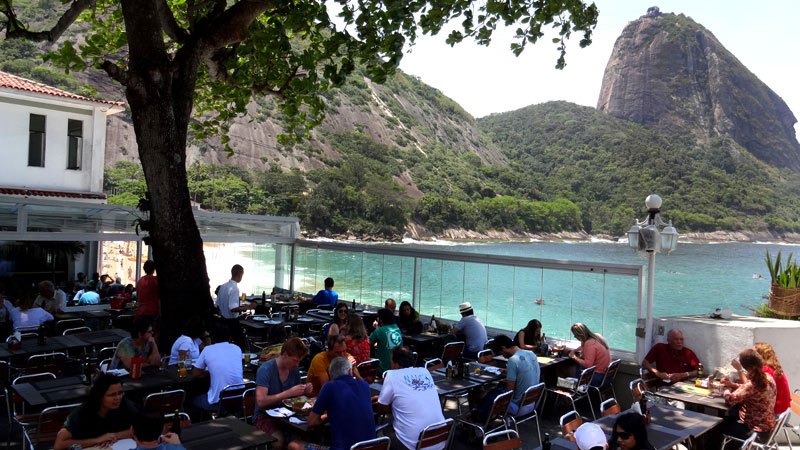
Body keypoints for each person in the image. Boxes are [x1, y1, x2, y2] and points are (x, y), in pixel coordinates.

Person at [288, 357, 375, 450]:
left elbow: (311, 422)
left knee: (293, 445)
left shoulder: (329, 387)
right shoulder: (364, 385)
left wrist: (323, 418)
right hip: (373, 447)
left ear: (331, 375)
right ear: (350, 371)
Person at [375, 346, 445, 450]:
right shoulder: (424, 371)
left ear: (396, 363)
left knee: (379, 434)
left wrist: (386, 402)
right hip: (440, 440)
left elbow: (381, 408)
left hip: (413, 445)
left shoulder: (392, 375)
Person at [254, 337, 313, 448]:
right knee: (279, 440)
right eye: (295, 360)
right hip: (265, 416)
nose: (297, 364)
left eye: (299, 361)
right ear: (285, 354)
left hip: (287, 416)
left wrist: (305, 391)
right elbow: (261, 402)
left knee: (306, 435)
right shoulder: (266, 370)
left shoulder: (294, 370)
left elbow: (296, 398)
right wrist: (288, 393)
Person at [53, 374, 137, 450]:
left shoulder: (125, 404)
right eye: (112, 395)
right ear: (99, 396)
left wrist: (113, 436)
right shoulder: (82, 413)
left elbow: (143, 427)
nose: (118, 398)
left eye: (120, 393)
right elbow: (59, 444)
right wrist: (97, 440)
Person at [720, 349, 776, 442]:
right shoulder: (768, 377)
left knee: (718, 426)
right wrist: (732, 385)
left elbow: (730, 400)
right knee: (732, 417)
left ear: (745, 366)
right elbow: (749, 389)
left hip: (754, 432)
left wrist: (726, 390)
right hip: (767, 427)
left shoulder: (752, 384)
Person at [191, 325, 244, 414]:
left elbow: (195, 374)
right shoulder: (237, 348)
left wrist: (209, 372)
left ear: (213, 338)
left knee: (190, 399)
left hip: (218, 401)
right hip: (239, 398)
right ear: (230, 338)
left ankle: (200, 424)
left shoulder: (207, 349)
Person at [490, 334, 540, 415]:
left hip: (518, 407)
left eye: (501, 353)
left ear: (503, 348)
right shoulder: (531, 354)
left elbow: (509, 391)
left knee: (489, 396)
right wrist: (510, 372)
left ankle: (481, 421)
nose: (503, 356)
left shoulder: (513, 361)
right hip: (532, 403)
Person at [216, 264, 253, 350]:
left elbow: (217, 305)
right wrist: (248, 307)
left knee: (224, 343)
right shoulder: (234, 288)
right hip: (232, 322)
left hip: (222, 320)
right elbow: (233, 308)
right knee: (240, 344)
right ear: (240, 274)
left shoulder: (223, 286)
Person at [753, 342, 791, 414]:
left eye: (752, 353)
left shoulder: (765, 370)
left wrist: (739, 371)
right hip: (783, 408)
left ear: (759, 356)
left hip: (775, 411)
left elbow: (752, 388)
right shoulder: (773, 367)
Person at [569, 322, 610, 386]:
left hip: (596, 377)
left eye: (575, 335)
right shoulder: (596, 337)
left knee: (564, 370)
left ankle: (568, 393)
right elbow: (588, 348)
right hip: (605, 377)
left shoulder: (589, 344)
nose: (574, 336)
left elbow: (588, 365)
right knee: (575, 368)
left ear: (580, 334)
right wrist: (575, 350)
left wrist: (574, 357)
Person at [369, 308, 403, 374]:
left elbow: (368, 344)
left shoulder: (379, 330)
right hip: (398, 368)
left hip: (383, 370)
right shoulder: (397, 328)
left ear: (381, 319)